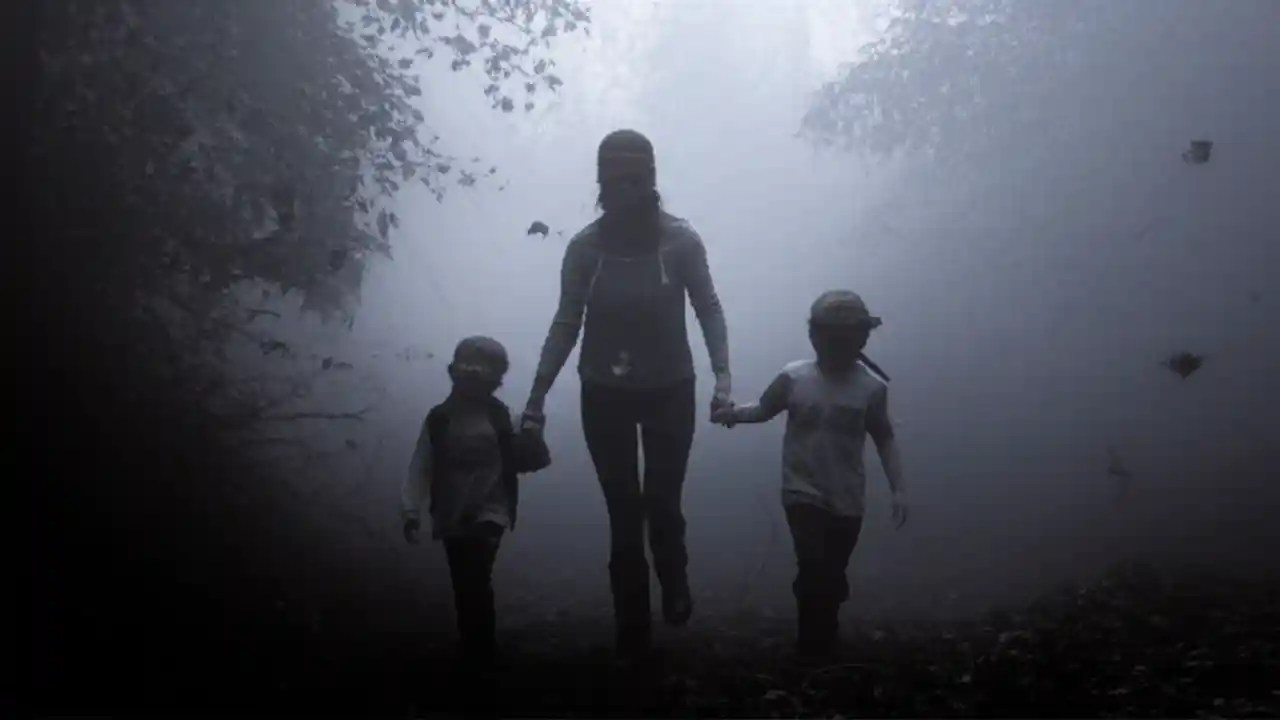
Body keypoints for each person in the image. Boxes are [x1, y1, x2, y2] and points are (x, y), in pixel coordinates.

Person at [521, 129, 732, 659]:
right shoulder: (585, 249)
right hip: (604, 390)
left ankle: (674, 576)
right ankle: (632, 626)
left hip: (670, 388)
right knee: (622, 507)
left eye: (634, 179)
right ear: (601, 183)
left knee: (661, 499)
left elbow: (708, 306)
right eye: (614, 180)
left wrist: (723, 377)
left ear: (651, 180)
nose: (624, 189)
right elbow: (567, 322)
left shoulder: (680, 241)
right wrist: (536, 397)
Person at [712, 290, 908, 659]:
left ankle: (824, 632)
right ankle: (812, 644)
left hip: (848, 496)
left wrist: (899, 489)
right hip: (802, 489)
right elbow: (764, 409)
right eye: (833, 336)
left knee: (831, 570)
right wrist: (732, 414)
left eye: (848, 337)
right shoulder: (794, 377)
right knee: (813, 562)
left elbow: (884, 437)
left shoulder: (871, 388)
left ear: (861, 339)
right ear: (817, 336)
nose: (839, 345)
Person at [401, 336, 550, 671]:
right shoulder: (438, 419)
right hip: (451, 512)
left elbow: (532, 459)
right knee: (465, 581)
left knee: (475, 571)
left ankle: (480, 651)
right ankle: (475, 644)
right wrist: (410, 509)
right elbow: (421, 465)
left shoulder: (503, 419)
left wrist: (533, 432)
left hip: (491, 510)